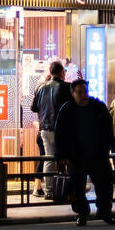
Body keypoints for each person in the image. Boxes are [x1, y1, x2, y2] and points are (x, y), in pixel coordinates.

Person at [55, 79, 115, 226]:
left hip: (98, 154)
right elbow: (60, 134)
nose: (84, 95)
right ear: (73, 93)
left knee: (105, 184)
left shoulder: (98, 107)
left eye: (85, 91)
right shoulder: (67, 110)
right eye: (80, 92)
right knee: (77, 186)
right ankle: (82, 214)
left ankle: (105, 212)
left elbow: (108, 129)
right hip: (76, 155)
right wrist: (61, 155)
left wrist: (106, 147)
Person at [33, 62, 72, 197]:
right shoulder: (66, 87)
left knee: (49, 159)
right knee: (67, 158)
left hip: (44, 128)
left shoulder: (41, 88)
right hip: (62, 129)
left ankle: (49, 191)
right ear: (62, 72)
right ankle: (67, 190)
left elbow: (33, 107)